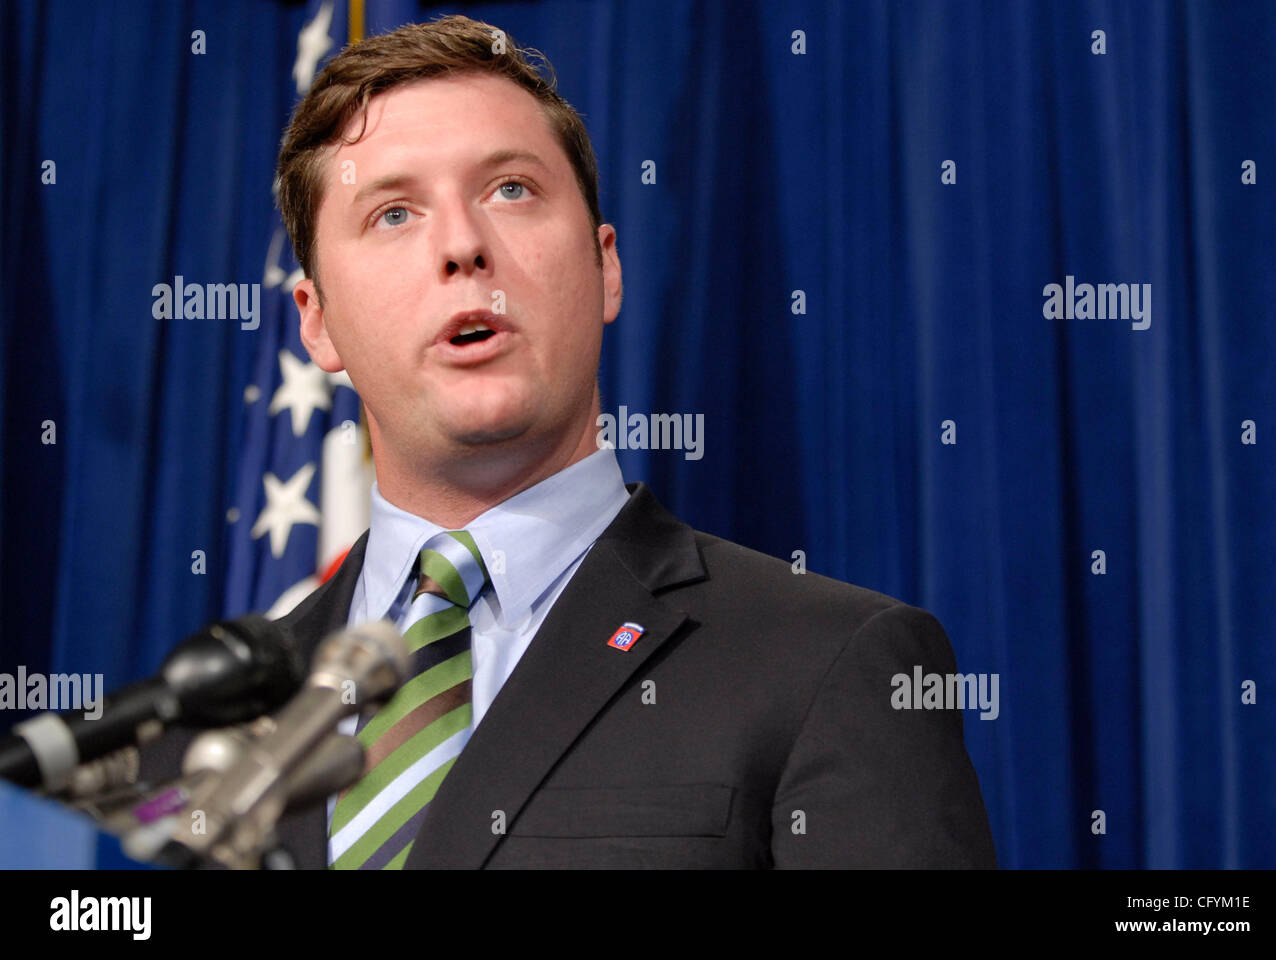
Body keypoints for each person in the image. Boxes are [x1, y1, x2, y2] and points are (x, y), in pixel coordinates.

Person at [141, 14, 997, 869]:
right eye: (395, 212)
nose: (463, 246)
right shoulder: (198, 745)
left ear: (605, 269)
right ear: (316, 323)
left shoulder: (832, 665)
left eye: (510, 189)